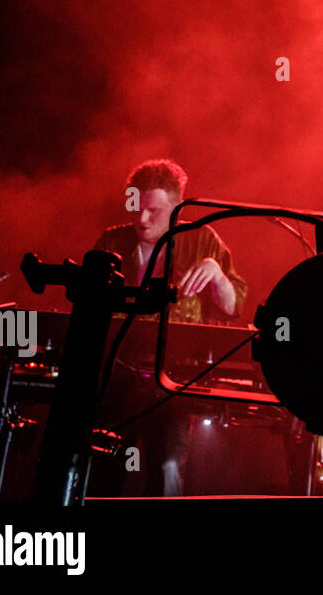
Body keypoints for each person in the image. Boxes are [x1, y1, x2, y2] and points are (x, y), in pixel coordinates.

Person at [89, 158, 248, 495]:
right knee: (102, 472)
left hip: (172, 386)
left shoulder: (203, 240)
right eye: (137, 208)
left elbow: (234, 307)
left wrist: (216, 275)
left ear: (177, 210)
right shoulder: (110, 243)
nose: (142, 219)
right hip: (114, 382)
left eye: (154, 211)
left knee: (168, 469)